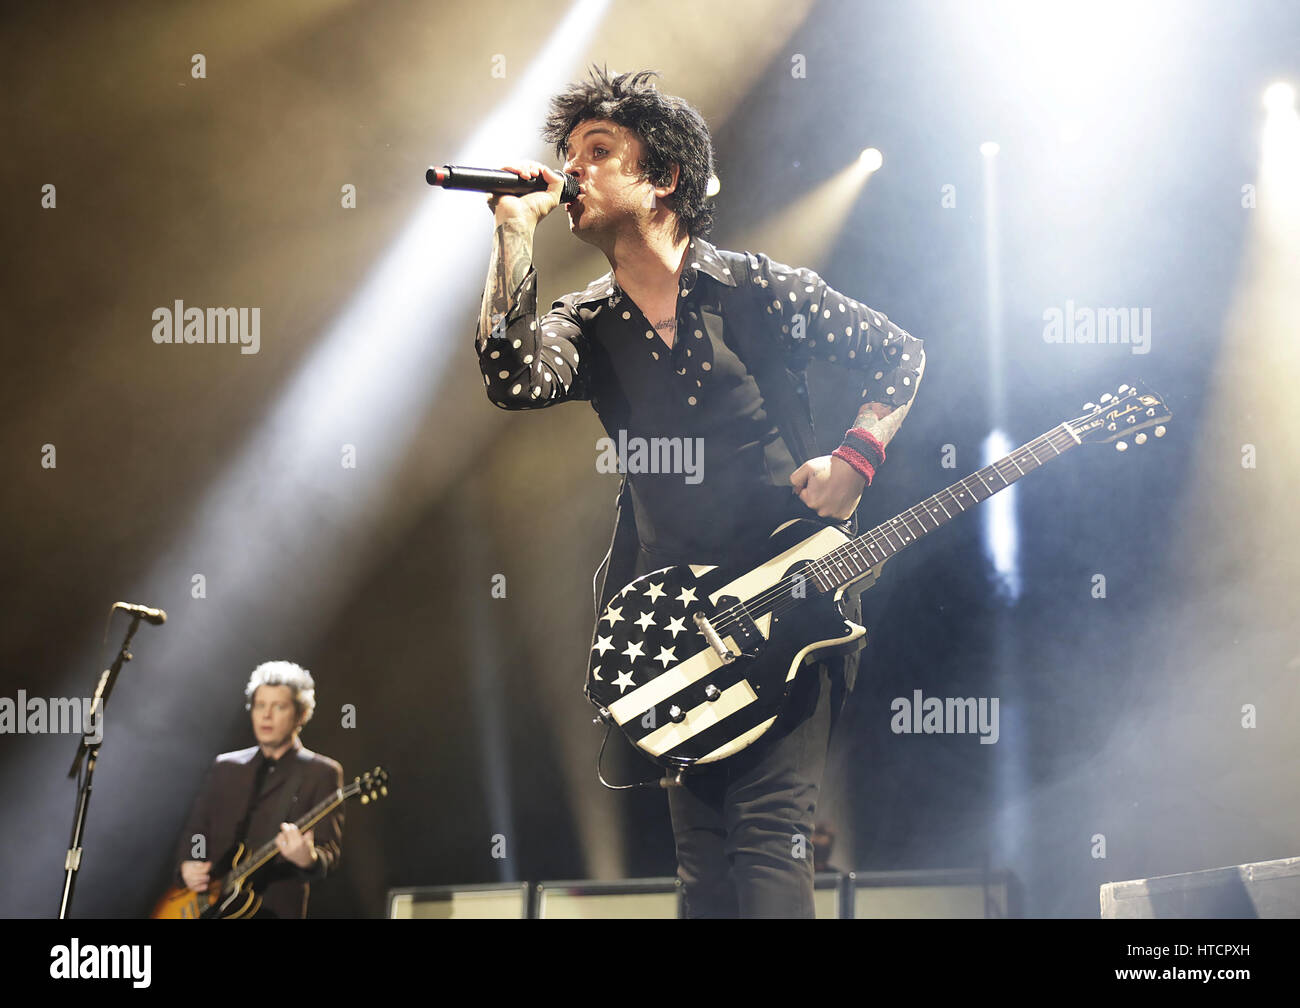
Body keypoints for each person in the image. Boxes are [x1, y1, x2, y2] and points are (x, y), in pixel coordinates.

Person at [474, 68, 924, 917]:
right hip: (675, 622)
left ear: (664, 178)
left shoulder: (758, 289)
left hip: (793, 599)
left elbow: (900, 354)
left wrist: (857, 456)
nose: (572, 172)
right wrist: (511, 234)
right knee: (704, 871)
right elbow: (512, 379)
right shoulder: (588, 322)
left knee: (768, 838)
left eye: (597, 152)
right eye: (565, 155)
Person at [173, 661, 343, 918]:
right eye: (260, 705)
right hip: (210, 908)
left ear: (301, 714)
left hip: (274, 910)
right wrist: (188, 864)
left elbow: (327, 853)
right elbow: (197, 830)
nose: (266, 715)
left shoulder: (321, 772)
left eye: (279, 707)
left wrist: (307, 857)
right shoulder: (226, 766)